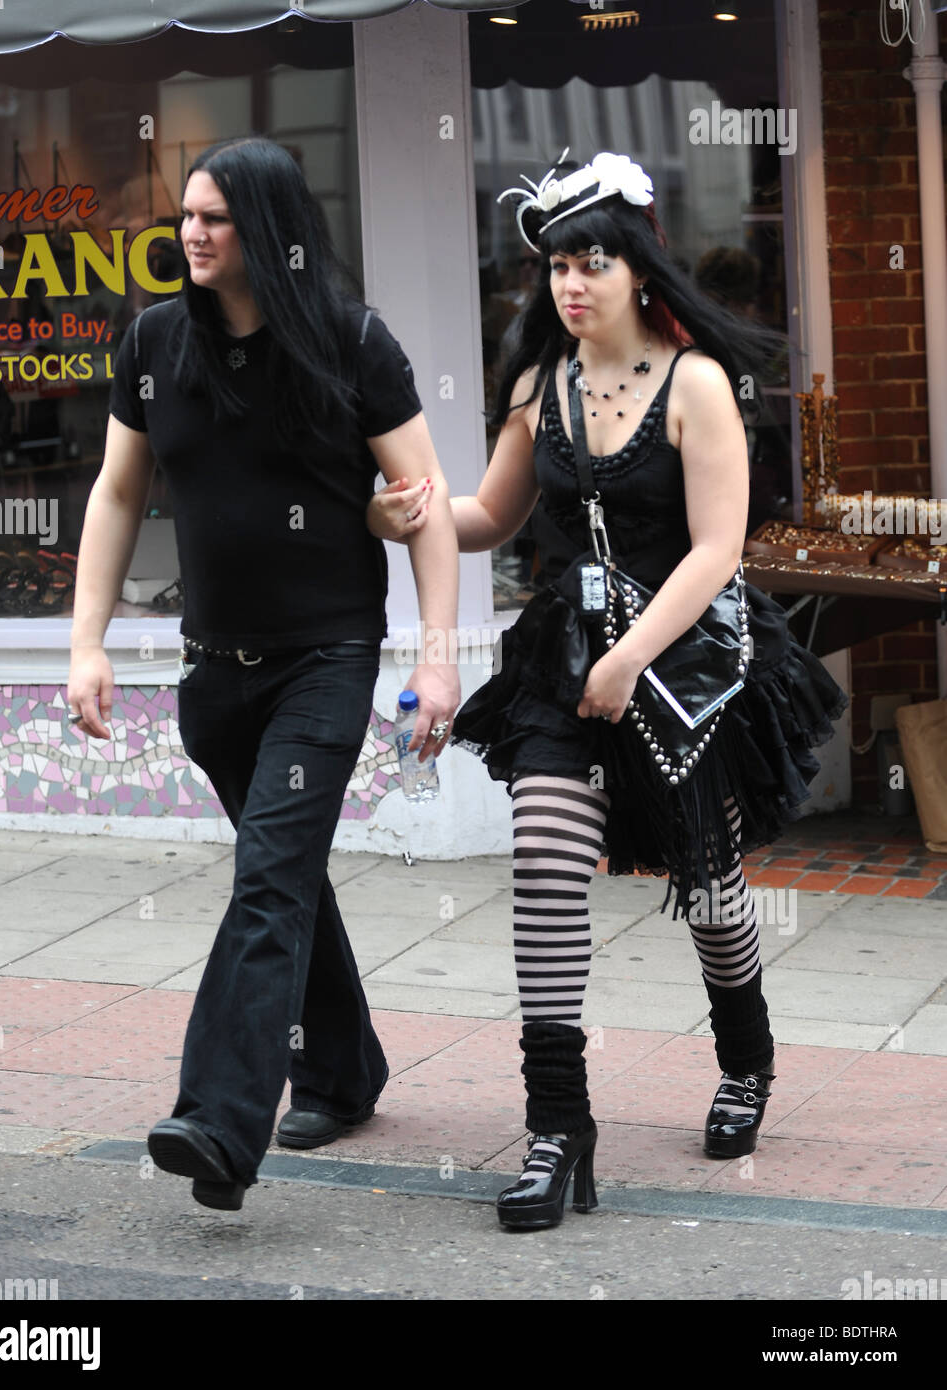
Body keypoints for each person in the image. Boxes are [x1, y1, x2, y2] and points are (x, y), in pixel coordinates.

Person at [368, 151, 847, 1230]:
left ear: (638, 269)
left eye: (590, 263)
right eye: (554, 269)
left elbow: (718, 548)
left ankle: (745, 1059)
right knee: (542, 853)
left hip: (683, 667)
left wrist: (630, 654)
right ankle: (556, 1129)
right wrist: (408, 515)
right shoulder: (540, 388)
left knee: (713, 890)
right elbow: (487, 517)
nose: (569, 286)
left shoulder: (696, 385)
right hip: (556, 657)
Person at [66, 136, 460, 1211]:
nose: (189, 233)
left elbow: (423, 504)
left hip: (324, 663)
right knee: (282, 879)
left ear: (269, 230)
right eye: (184, 216)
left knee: (268, 878)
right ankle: (342, 1068)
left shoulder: (348, 341)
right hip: (213, 677)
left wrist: (436, 655)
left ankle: (220, 1121)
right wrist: (86, 641)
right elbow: (114, 492)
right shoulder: (152, 342)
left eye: (214, 219)